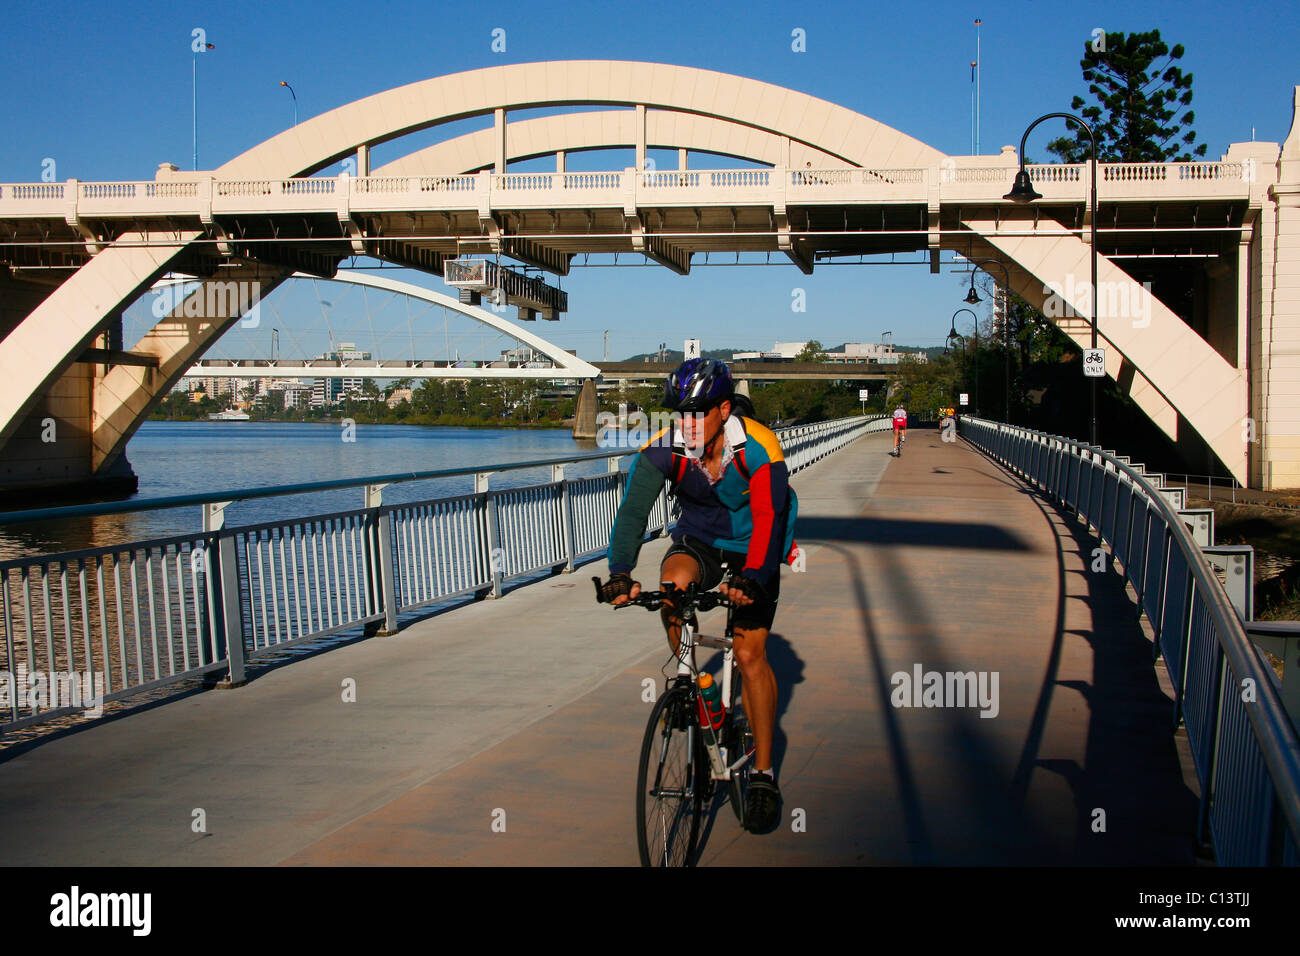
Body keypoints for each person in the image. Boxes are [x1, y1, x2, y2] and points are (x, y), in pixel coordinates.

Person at [595, 358, 797, 834]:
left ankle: (764, 773)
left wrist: (754, 578)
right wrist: (620, 572)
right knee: (672, 586)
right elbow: (632, 513)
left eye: (696, 413)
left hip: (755, 547)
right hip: (701, 541)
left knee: (749, 657)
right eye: (677, 414)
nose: (683, 425)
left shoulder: (759, 447)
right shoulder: (665, 449)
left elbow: (769, 519)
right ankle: (693, 688)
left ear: (723, 410)